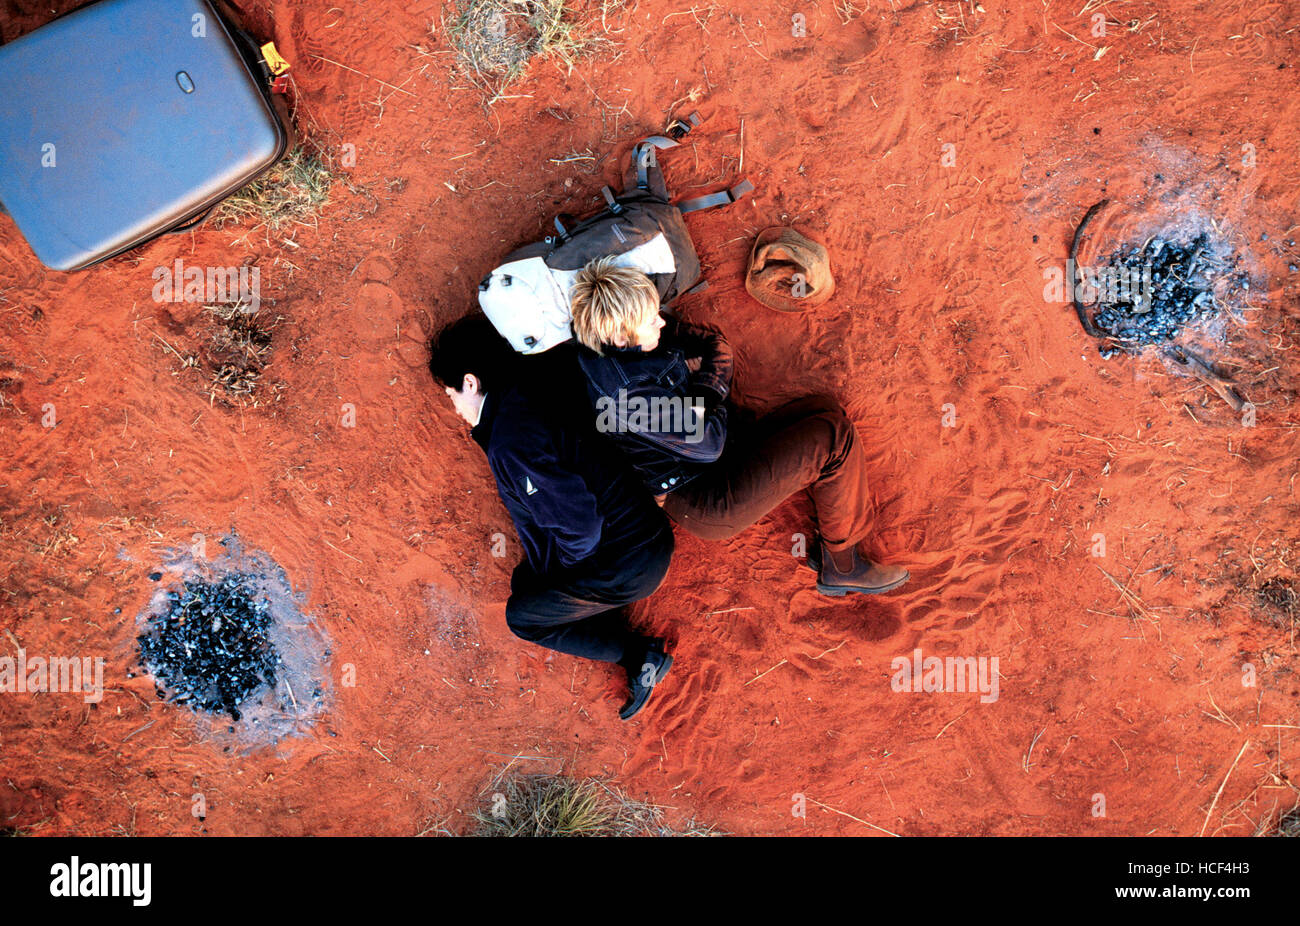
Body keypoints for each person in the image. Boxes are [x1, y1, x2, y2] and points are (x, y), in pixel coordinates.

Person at [569, 256, 910, 596]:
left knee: (825, 412)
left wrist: (706, 382)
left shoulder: (608, 342)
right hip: (704, 493)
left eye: (655, 312)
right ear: (620, 335)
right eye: (649, 320)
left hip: (713, 451)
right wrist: (710, 383)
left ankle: (830, 535)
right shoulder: (630, 398)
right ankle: (842, 565)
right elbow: (709, 440)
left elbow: (710, 345)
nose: (661, 322)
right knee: (833, 440)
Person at [429, 315, 674, 719]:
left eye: (451, 393)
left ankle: (639, 655)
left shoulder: (510, 441)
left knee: (525, 616)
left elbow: (581, 531)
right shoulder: (528, 386)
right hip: (641, 530)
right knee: (530, 584)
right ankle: (593, 606)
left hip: (632, 562)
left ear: (471, 383)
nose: (454, 406)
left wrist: (557, 576)